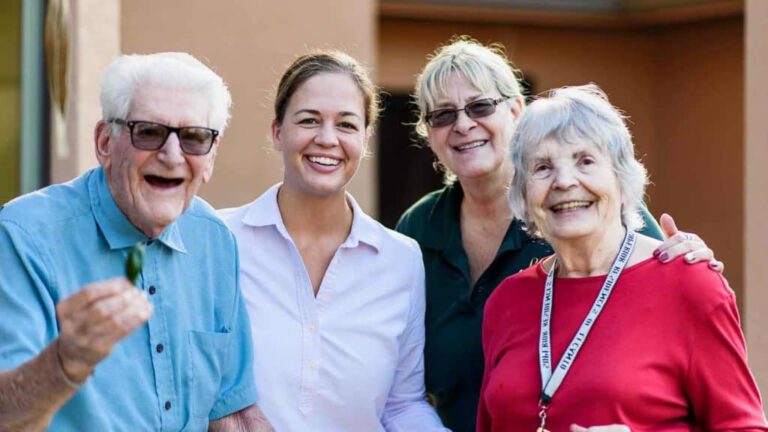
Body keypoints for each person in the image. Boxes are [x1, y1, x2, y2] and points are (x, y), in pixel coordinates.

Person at [395, 37, 724, 432]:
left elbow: (657, 278)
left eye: (480, 106)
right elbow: (402, 378)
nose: (463, 125)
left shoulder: (582, 208)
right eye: (443, 115)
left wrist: (694, 262)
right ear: (428, 132)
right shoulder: (416, 229)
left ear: (516, 110)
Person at [0, 52, 272, 431]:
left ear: (210, 157)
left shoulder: (214, 240)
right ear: (105, 142)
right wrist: (64, 362)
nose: (172, 155)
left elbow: (231, 413)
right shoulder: (25, 235)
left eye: (194, 138)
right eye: (149, 132)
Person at [477, 84, 767, 431]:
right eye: (542, 168)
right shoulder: (507, 300)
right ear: (524, 193)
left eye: (585, 161)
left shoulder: (689, 285)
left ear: (621, 177)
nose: (564, 181)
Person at [219, 50, 447, 431]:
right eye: (309, 120)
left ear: (366, 138)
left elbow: (402, 404)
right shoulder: (221, 240)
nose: (327, 139)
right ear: (278, 132)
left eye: (346, 125)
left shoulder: (400, 259)